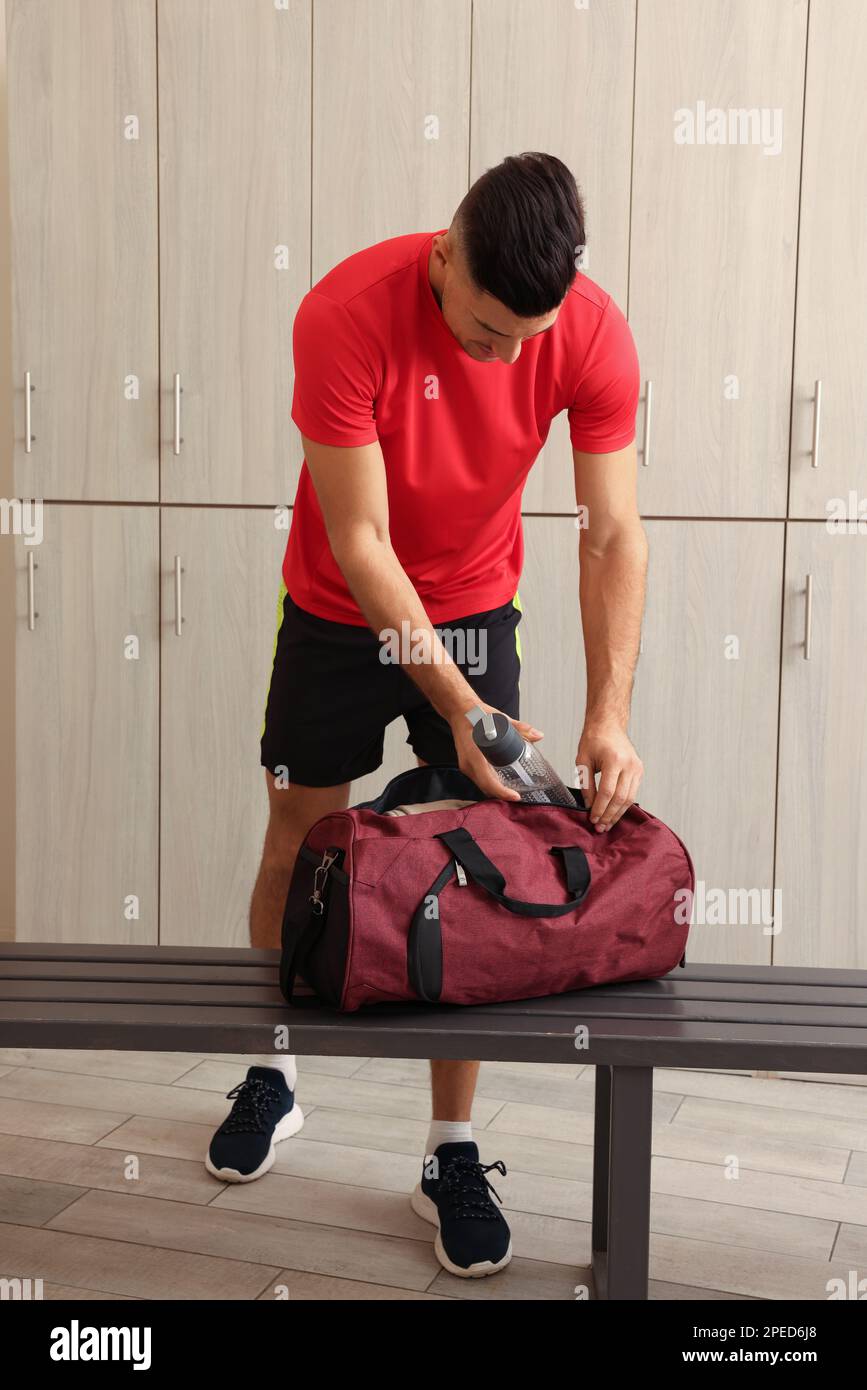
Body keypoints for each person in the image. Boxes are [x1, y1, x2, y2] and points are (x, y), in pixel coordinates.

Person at [207, 152, 647, 1279]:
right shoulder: (345, 314)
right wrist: (457, 705)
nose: (509, 358)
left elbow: (609, 534)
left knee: (473, 863)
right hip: (336, 604)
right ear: (444, 256)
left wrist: (608, 716)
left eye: (526, 338)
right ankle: (276, 1063)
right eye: (489, 331)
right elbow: (361, 541)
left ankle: (450, 1148)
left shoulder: (587, 333)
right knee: (299, 837)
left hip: (478, 600)